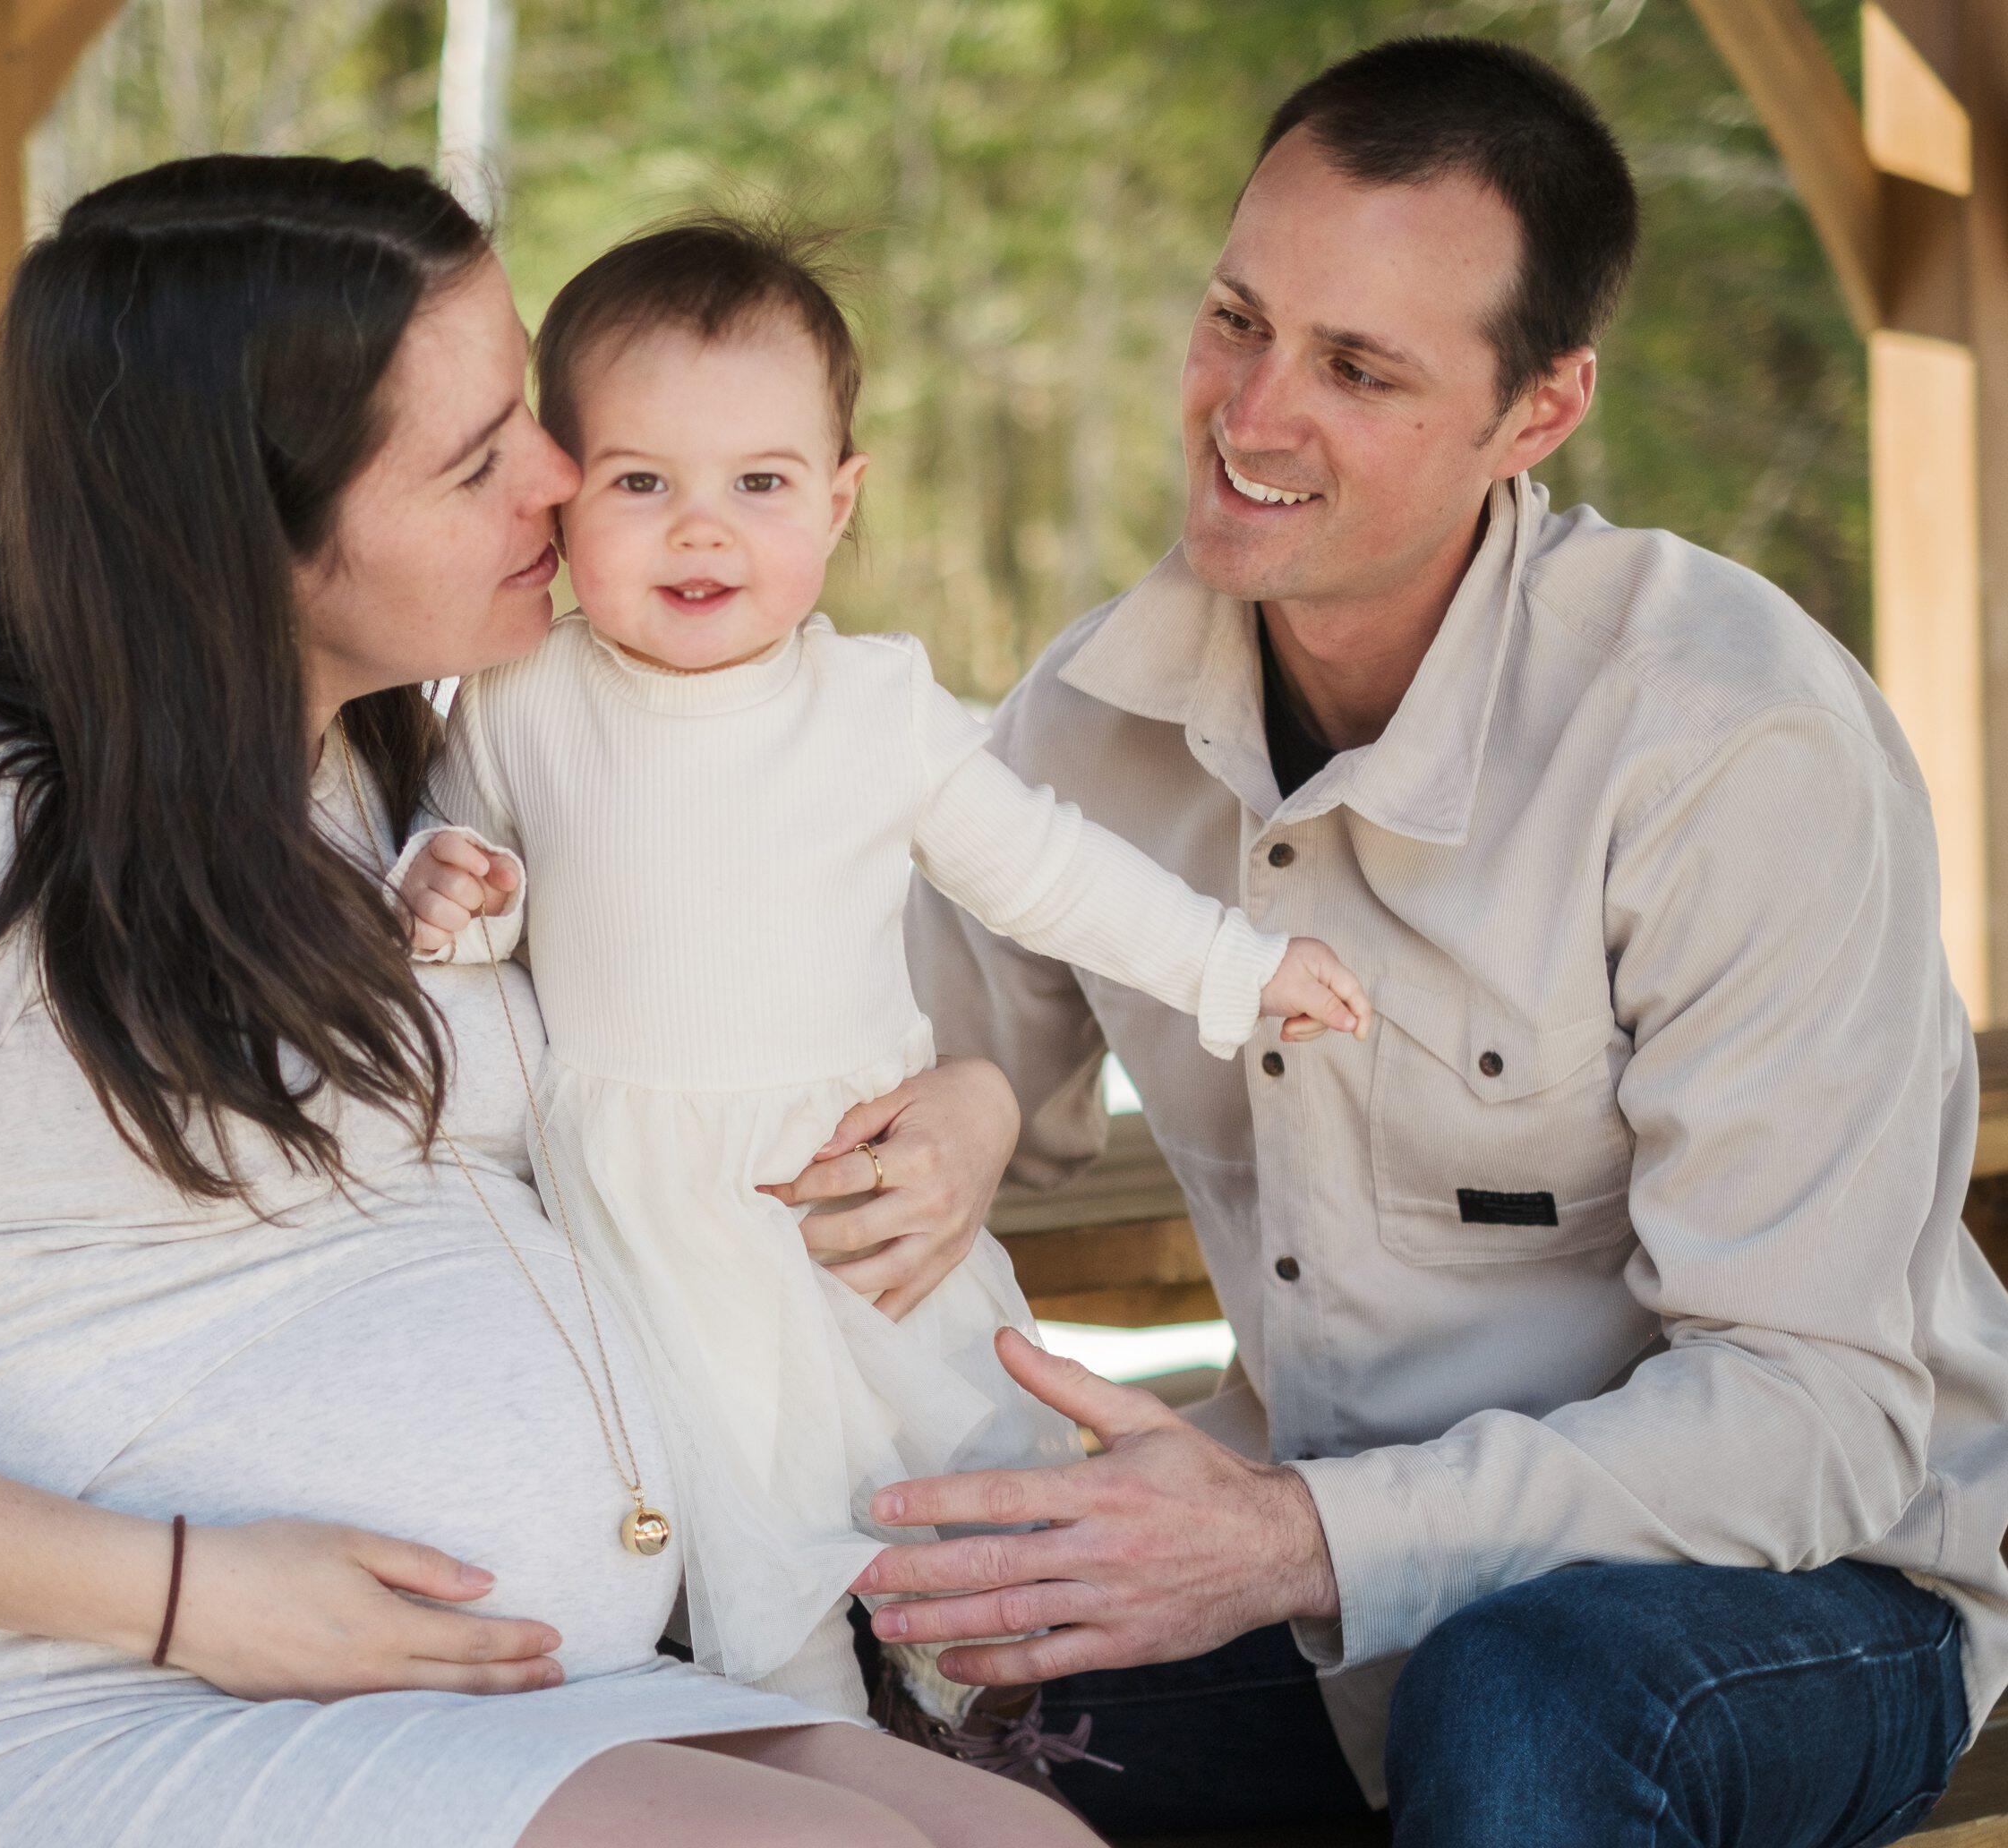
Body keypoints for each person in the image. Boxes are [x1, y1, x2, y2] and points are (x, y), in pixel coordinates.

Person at [0, 153, 1090, 1848]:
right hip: (86, 1702)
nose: (559, 474)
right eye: (475, 460)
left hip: (510, 1695)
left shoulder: (404, 773)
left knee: (1019, 1843)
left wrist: (960, 1103)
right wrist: (186, 1596)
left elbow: (704, 1037)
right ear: (245, 525)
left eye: (528, 408)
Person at [859, 35, 2008, 1847]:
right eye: (1238, 318)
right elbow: (937, 1083)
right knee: (946, 1716)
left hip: (1812, 1593)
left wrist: (1300, 1539)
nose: (1250, 411)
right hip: (1313, 1558)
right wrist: (961, 1119)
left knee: (1529, 1699)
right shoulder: (1080, 727)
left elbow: (1816, 1421)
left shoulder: (1726, 733)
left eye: (1358, 368)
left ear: (1537, 416)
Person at [389, 215, 1368, 1726]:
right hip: (635, 1227)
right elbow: (468, 880)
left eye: (759, 485)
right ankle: (821, 1761)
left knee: (953, 1521)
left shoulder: (875, 707)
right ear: (561, 497)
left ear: (839, 502)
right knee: (750, 1583)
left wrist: (1236, 964)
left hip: (849, 1200)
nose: (702, 531)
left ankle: (984, 1746)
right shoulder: (524, 693)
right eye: (643, 484)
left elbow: (1055, 872)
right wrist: (447, 890)